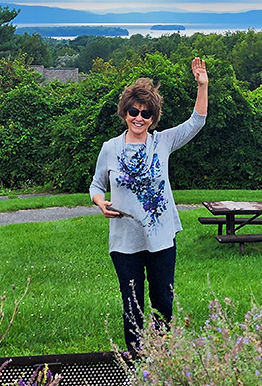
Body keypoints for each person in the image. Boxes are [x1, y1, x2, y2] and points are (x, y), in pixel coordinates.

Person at [89, 57, 209, 353]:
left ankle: (161, 357)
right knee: (132, 304)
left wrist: (202, 86)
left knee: (163, 302)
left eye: (145, 113)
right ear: (125, 113)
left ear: (153, 118)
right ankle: (135, 360)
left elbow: (197, 121)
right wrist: (100, 202)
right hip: (124, 240)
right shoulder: (110, 149)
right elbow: (96, 185)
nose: (139, 118)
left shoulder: (163, 142)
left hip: (160, 238)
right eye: (133, 111)